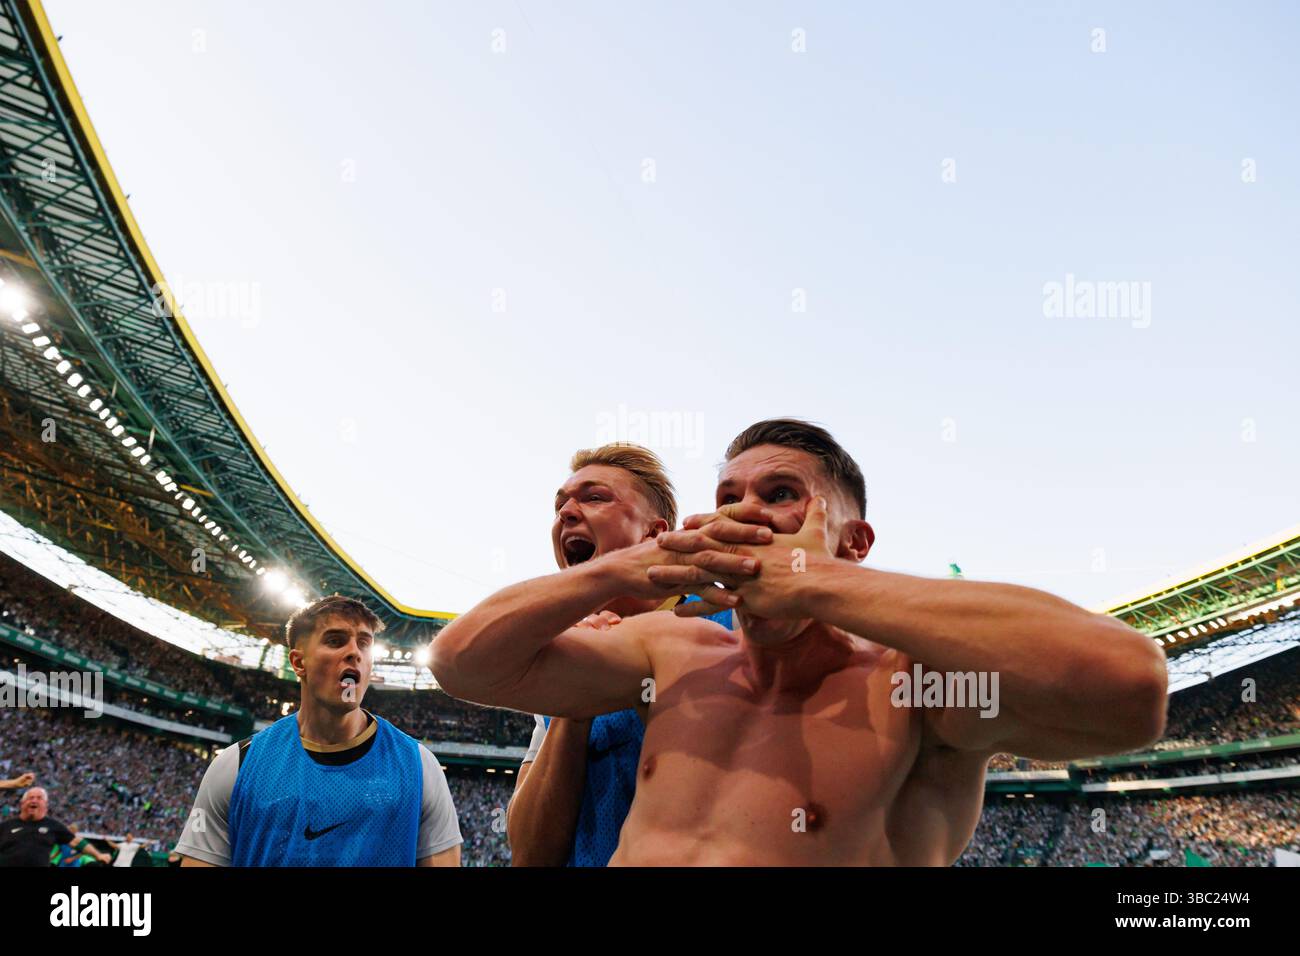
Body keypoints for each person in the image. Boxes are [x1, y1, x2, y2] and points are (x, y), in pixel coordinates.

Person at [433, 418, 1169, 865]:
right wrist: (631, 567)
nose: (745, 511)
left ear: (854, 541)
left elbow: (1131, 687)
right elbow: (462, 660)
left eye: (779, 495)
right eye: (727, 499)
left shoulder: (911, 683)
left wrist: (815, 585)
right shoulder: (671, 649)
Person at [509, 443, 732, 867]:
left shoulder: (730, 624)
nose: (566, 513)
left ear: (653, 534)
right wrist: (573, 709)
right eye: (560, 504)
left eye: (594, 498)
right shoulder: (558, 661)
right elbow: (531, 855)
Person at [176, 595, 462, 866]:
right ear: (299, 663)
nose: (354, 652)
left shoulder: (420, 767)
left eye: (364, 643)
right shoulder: (236, 765)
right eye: (336, 641)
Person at [0, 787, 111, 867]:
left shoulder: (53, 826)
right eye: (30, 798)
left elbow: (76, 842)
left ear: (45, 805)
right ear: (22, 804)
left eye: (39, 798)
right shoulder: (6, 826)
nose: (34, 800)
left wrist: (98, 855)